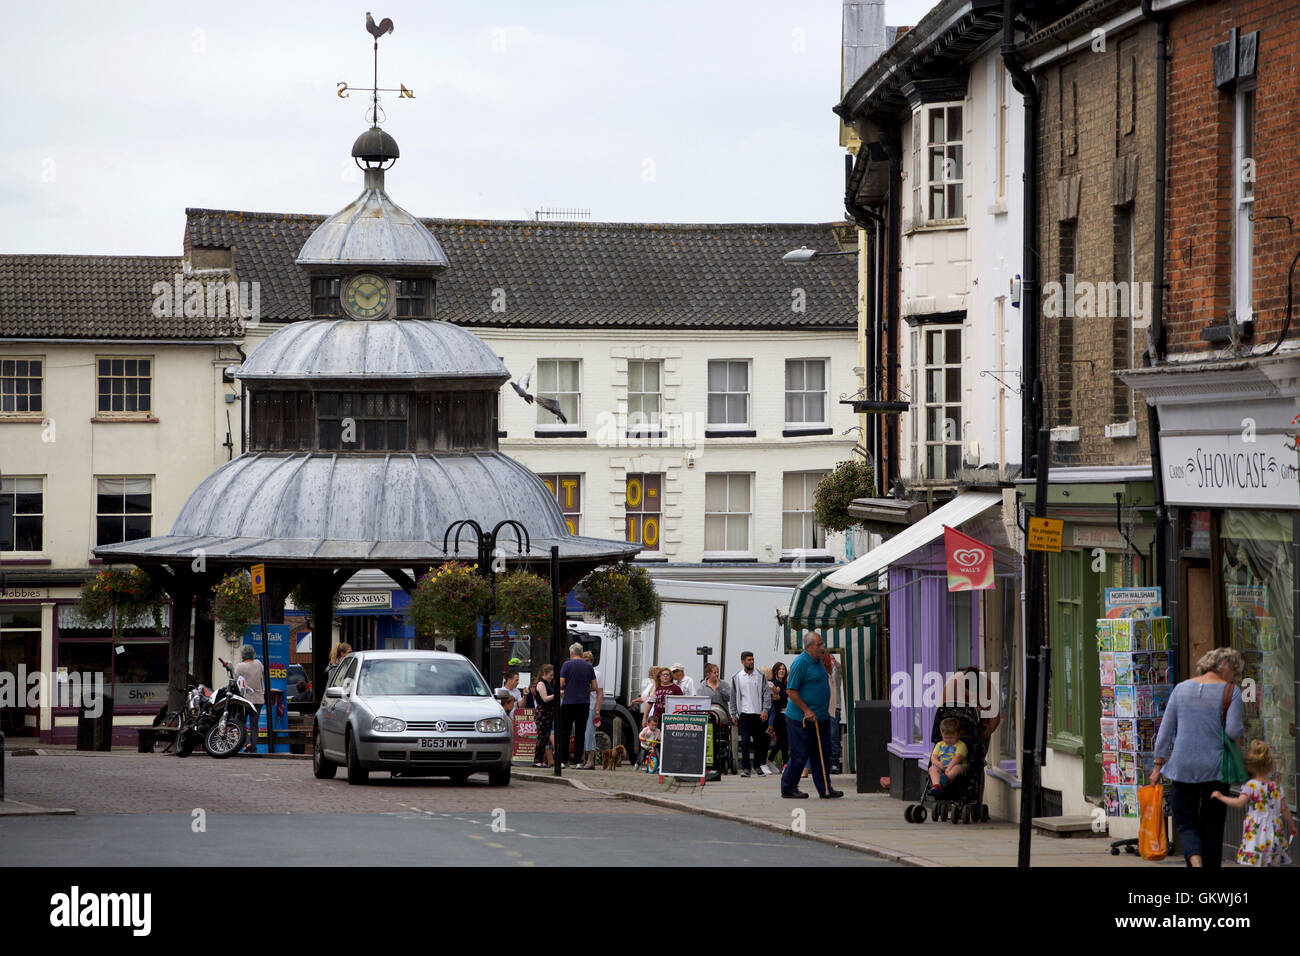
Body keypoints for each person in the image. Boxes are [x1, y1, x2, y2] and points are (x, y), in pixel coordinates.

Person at [1151, 647, 1245, 867]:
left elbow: (1165, 730)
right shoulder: (1232, 692)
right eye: (1235, 670)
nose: (1235, 675)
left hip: (1182, 767)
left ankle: (1195, 861)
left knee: (1185, 821)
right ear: (1225, 667)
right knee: (1213, 823)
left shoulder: (1181, 689)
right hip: (1215, 768)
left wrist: (1157, 766)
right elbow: (1232, 731)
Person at [1211, 739, 1297, 866]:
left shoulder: (1250, 786)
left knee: (1254, 862)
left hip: (1255, 835)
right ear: (1270, 766)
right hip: (1274, 834)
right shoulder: (1277, 787)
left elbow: (1239, 802)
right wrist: (1292, 826)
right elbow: (1284, 809)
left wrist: (1220, 796)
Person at [780, 632, 842, 799]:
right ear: (808, 647)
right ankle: (788, 787)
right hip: (801, 718)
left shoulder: (819, 661)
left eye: (822, 644)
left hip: (821, 718)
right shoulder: (800, 663)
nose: (823, 648)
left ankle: (825, 788)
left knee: (822, 753)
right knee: (800, 754)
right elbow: (791, 691)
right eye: (819, 645)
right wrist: (806, 710)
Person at [728, 651, 771, 777]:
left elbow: (766, 694)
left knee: (759, 742)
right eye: (748, 660)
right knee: (745, 741)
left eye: (752, 659)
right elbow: (733, 697)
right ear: (742, 662)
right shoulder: (737, 677)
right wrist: (734, 714)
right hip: (744, 714)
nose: (751, 662)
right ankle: (746, 768)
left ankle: (757, 766)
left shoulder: (760, 675)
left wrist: (765, 710)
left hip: (758, 713)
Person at [558, 643, 599, 770]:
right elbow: (594, 686)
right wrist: (585, 690)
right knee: (580, 732)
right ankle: (578, 761)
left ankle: (563, 761)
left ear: (571, 653)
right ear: (581, 653)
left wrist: (567, 689)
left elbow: (561, 684)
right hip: (583, 703)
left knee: (565, 731)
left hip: (568, 702)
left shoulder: (566, 665)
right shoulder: (588, 666)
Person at [233, 645, 266, 754]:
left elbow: (235, 680)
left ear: (243, 655)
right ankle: (254, 747)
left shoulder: (240, 666)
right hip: (258, 699)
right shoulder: (258, 664)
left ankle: (247, 743)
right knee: (254, 724)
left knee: (240, 722)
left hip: (245, 699)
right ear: (253, 654)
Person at [928, 717, 967, 795]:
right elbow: (933, 757)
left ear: (958, 735)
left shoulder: (961, 745)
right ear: (941, 735)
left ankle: (944, 780)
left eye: (951, 738)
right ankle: (937, 785)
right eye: (945, 737)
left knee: (957, 768)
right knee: (932, 769)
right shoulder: (939, 744)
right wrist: (938, 764)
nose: (948, 740)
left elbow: (958, 757)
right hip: (941, 767)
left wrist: (949, 768)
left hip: (955, 766)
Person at [823, 650, 844, 775]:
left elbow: (842, 671)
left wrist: (835, 662)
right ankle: (826, 762)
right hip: (822, 708)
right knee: (824, 736)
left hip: (834, 707)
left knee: (833, 736)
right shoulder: (820, 671)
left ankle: (834, 762)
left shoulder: (835, 672)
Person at [766, 662, 789, 774]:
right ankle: (783, 763)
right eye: (779, 669)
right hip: (776, 715)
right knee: (783, 740)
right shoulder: (773, 684)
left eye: (783, 669)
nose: (782, 671)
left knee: (783, 740)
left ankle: (774, 761)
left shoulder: (783, 684)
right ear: (775, 671)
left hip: (784, 714)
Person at [580, 651, 602, 770]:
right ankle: (581, 758)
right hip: (580, 704)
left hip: (591, 705)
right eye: (584, 660)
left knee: (589, 733)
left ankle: (590, 760)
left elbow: (599, 693)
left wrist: (597, 710)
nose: (586, 663)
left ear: (592, 662)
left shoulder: (597, 674)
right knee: (580, 733)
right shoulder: (580, 672)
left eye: (588, 661)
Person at [532, 664, 556, 768]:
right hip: (542, 713)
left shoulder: (548, 684)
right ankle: (537, 760)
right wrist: (557, 695)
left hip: (548, 713)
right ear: (544, 674)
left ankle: (540, 760)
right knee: (542, 737)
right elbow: (545, 698)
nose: (552, 677)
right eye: (550, 675)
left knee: (545, 737)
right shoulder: (541, 684)